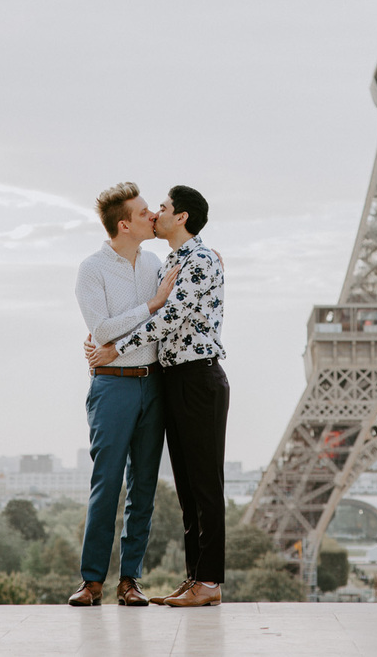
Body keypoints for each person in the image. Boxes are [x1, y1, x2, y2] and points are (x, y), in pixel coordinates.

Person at [86, 184, 228, 609]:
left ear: (180, 217)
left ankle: (209, 581)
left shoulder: (197, 260)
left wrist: (114, 347)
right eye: (149, 209)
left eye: (161, 208)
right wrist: (107, 341)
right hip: (170, 380)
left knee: (203, 484)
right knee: (186, 486)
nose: (155, 214)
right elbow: (116, 321)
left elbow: (168, 320)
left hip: (196, 378)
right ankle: (195, 578)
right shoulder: (171, 260)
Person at [69, 181, 179, 608]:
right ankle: (92, 581)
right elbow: (102, 331)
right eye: (144, 211)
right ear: (124, 224)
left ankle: (130, 580)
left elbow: (170, 310)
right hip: (112, 384)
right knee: (107, 483)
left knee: (144, 486)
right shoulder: (91, 269)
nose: (153, 215)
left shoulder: (156, 261)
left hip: (153, 382)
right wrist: (150, 306)